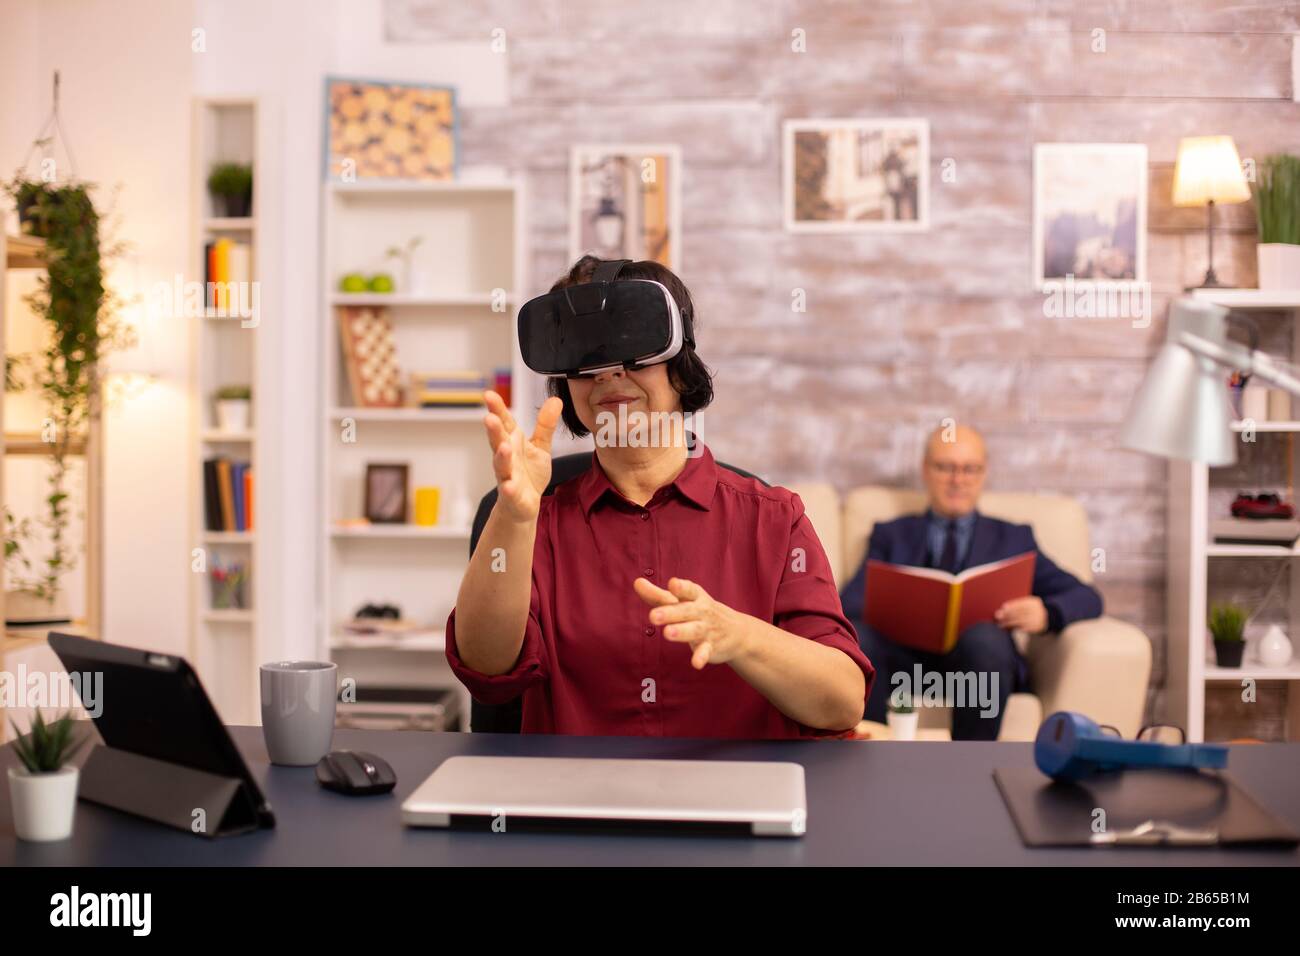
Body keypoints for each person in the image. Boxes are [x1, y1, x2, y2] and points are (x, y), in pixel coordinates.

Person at [446, 255, 874, 738]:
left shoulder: (774, 519)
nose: (609, 375)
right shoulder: (536, 519)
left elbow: (842, 703)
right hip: (574, 801)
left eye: (633, 353)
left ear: (680, 366)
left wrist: (740, 635)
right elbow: (485, 670)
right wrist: (515, 517)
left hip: (734, 801)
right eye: (587, 362)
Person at [839, 424, 1102, 740]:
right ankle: (871, 756)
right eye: (945, 467)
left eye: (970, 469)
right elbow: (847, 605)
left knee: (984, 639)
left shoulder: (1015, 539)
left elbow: (1087, 596)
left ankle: (971, 767)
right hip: (905, 670)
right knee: (860, 638)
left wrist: (1047, 612)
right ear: (925, 470)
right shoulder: (891, 535)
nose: (958, 480)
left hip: (980, 666)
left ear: (983, 474)